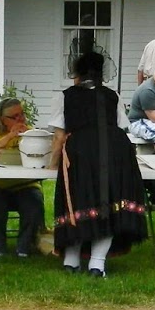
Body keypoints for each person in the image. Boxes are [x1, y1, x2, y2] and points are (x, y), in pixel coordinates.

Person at [47, 51, 147, 277]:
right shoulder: (113, 96)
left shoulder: (64, 96)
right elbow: (121, 125)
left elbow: (59, 135)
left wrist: (52, 164)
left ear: (77, 74)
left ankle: (71, 261)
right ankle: (97, 264)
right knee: (108, 203)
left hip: (80, 152)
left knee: (78, 202)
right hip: (114, 152)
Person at [0, 98, 45, 258]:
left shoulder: (31, 133)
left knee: (33, 202)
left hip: (25, 185)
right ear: (2, 119)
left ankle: (24, 248)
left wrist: (28, 136)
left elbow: (41, 158)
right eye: (15, 116)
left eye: (22, 114)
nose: (21, 119)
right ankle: (0, 248)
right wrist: (8, 137)